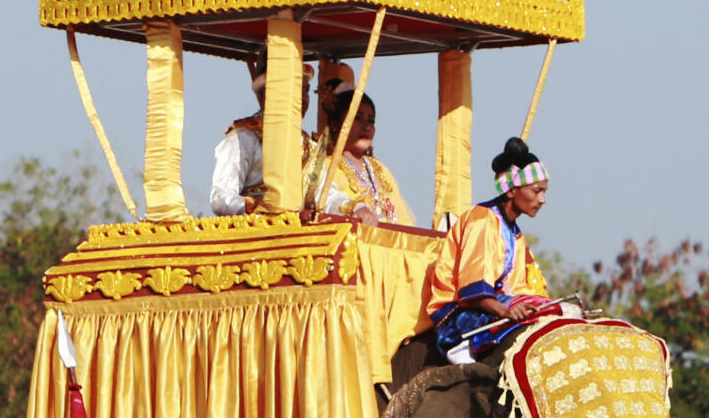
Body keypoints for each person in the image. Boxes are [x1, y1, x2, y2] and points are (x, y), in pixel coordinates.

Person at [418, 136, 560, 363]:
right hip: (460, 314)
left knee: (556, 311)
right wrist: (505, 311)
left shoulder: (514, 232)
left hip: (496, 303)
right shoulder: (482, 220)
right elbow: (472, 290)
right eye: (536, 191)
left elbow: (524, 287)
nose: (542, 199)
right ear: (512, 190)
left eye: (544, 192)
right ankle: (462, 347)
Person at [209, 61, 316, 215]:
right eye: (295, 88)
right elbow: (220, 198)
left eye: (306, 90)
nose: (304, 97)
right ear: (268, 92)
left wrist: (356, 208)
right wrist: (258, 206)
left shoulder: (308, 144)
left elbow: (327, 192)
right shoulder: (244, 138)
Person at [306, 90, 412, 226]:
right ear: (335, 123)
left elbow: (403, 219)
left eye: (371, 120)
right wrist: (355, 209)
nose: (366, 127)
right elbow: (327, 202)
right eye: (357, 118)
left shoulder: (382, 170)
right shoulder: (327, 167)